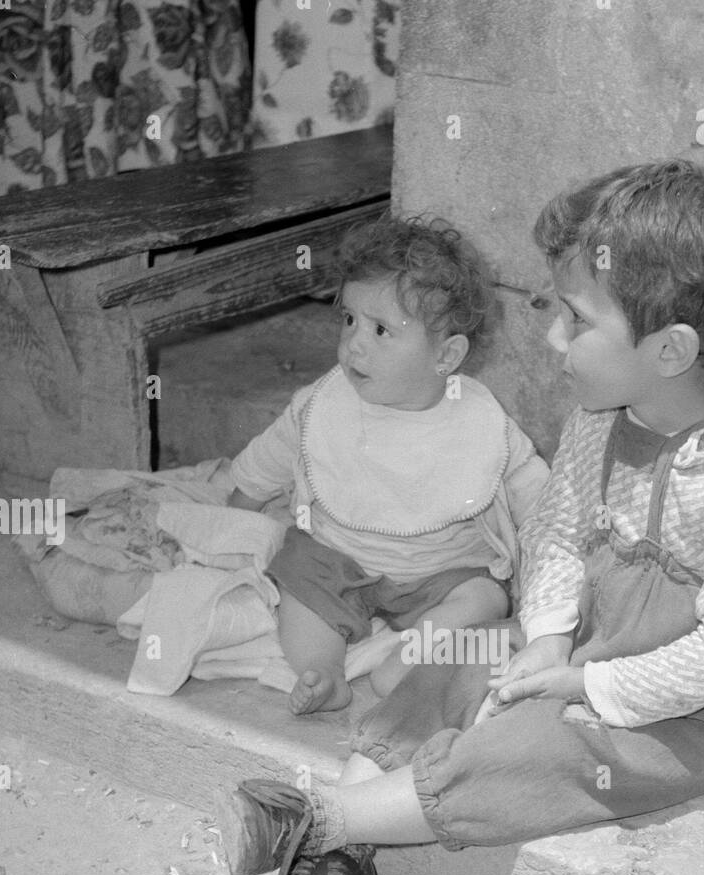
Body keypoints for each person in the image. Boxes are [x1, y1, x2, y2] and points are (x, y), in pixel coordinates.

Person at [216, 158, 704, 875]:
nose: (551, 336)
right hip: (583, 653)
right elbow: (560, 536)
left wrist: (577, 680)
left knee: (546, 742)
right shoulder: (600, 420)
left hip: (678, 716)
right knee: (466, 652)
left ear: (668, 350)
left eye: (574, 318)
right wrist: (544, 641)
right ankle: (341, 853)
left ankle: (318, 819)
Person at [227, 214, 548, 714]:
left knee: (485, 598)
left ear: (446, 356)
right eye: (349, 319)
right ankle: (326, 674)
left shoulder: (481, 423)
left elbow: (536, 497)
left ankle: (413, 650)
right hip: (338, 560)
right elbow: (270, 456)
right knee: (299, 586)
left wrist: (558, 556)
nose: (355, 343)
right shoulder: (324, 403)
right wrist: (237, 508)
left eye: (381, 330)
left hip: (440, 573)